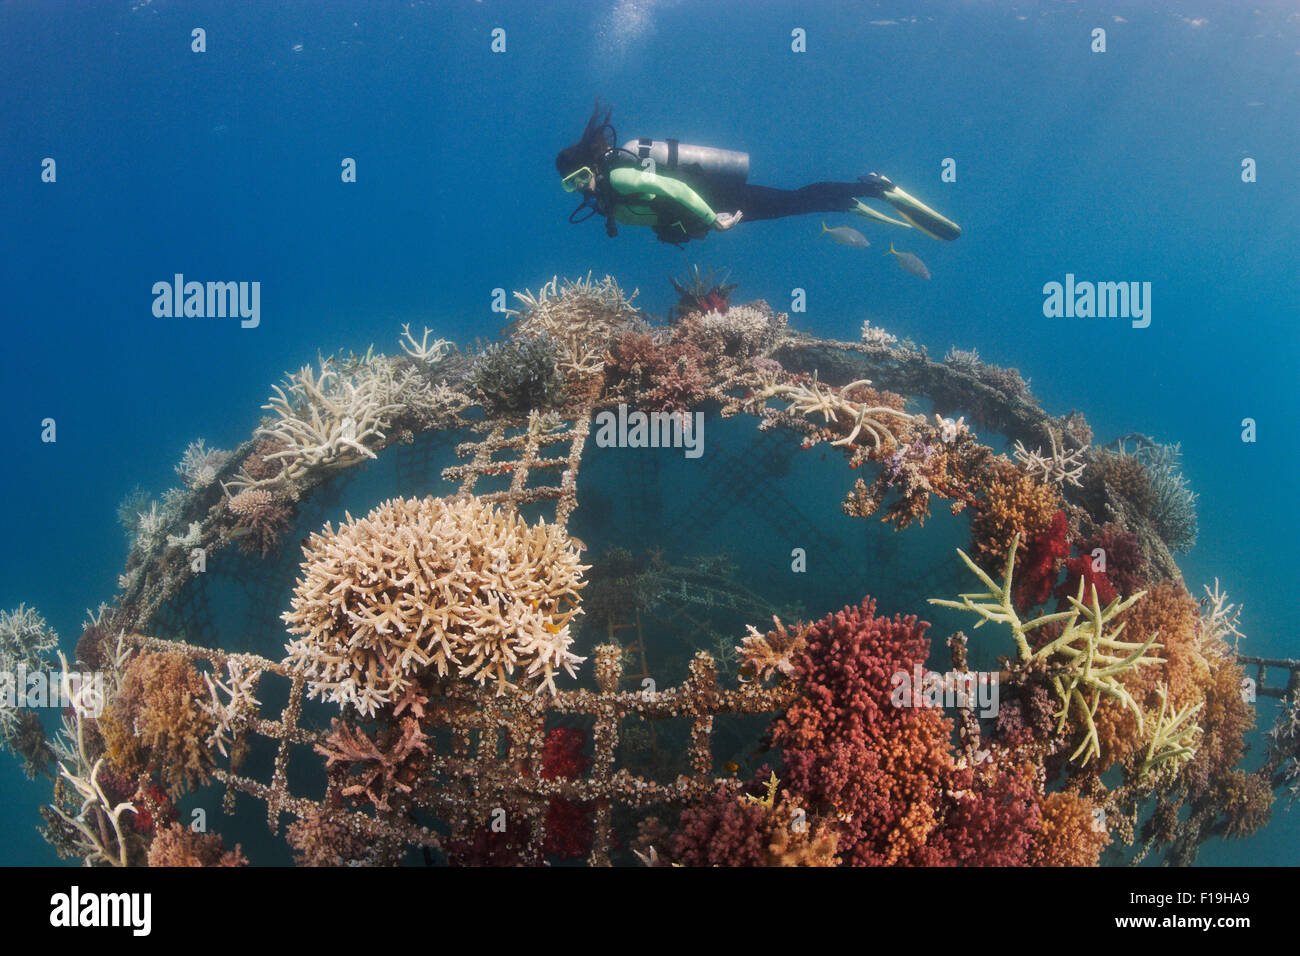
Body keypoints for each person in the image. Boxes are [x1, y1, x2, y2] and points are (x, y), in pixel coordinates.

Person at [555, 101, 961, 245]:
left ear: (592, 165)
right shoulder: (608, 195)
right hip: (717, 204)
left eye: (579, 178)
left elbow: (673, 187)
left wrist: (711, 218)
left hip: (721, 201)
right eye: (570, 186)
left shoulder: (620, 177)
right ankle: (847, 201)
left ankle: (871, 189)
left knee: (791, 200)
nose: (579, 189)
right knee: (791, 203)